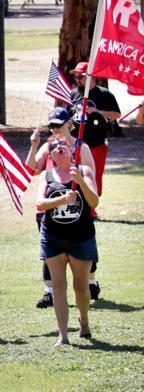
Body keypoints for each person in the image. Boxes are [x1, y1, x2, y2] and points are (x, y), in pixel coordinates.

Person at [26, 108, 99, 309]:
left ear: (70, 124)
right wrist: (34, 147)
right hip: (50, 209)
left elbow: (91, 176)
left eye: (59, 124)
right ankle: (50, 291)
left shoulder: (81, 147)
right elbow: (31, 169)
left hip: (78, 209)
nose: (55, 129)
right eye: (52, 126)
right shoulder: (48, 146)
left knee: (83, 250)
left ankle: (90, 282)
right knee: (50, 251)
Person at [36, 139, 99, 346]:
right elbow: (40, 204)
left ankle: (84, 321)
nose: (59, 148)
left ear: (72, 151)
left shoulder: (84, 171)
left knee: (81, 288)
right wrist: (62, 200)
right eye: (54, 147)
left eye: (63, 144)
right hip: (53, 238)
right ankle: (62, 335)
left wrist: (80, 182)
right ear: (51, 156)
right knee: (58, 286)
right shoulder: (47, 176)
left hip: (81, 237)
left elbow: (94, 202)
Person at [69, 61, 122, 206]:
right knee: (75, 175)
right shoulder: (73, 94)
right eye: (76, 77)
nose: (77, 79)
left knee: (94, 176)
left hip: (97, 144)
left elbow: (117, 114)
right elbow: (68, 116)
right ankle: (79, 206)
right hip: (76, 143)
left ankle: (91, 209)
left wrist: (97, 111)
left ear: (91, 76)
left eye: (81, 76)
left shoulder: (104, 94)